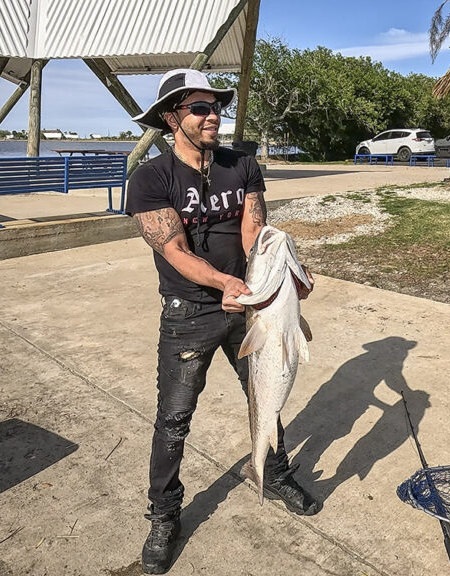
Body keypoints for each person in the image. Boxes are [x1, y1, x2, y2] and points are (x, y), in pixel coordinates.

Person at [126, 69, 320, 575]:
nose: (212, 116)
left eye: (216, 107)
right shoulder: (150, 178)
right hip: (188, 312)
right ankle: (164, 515)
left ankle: (274, 473)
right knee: (174, 419)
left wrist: (285, 273)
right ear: (172, 119)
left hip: (250, 304)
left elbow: (254, 231)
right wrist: (222, 284)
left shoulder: (242, 165)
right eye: (199, 108)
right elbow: (173, 249)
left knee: (265, 391)